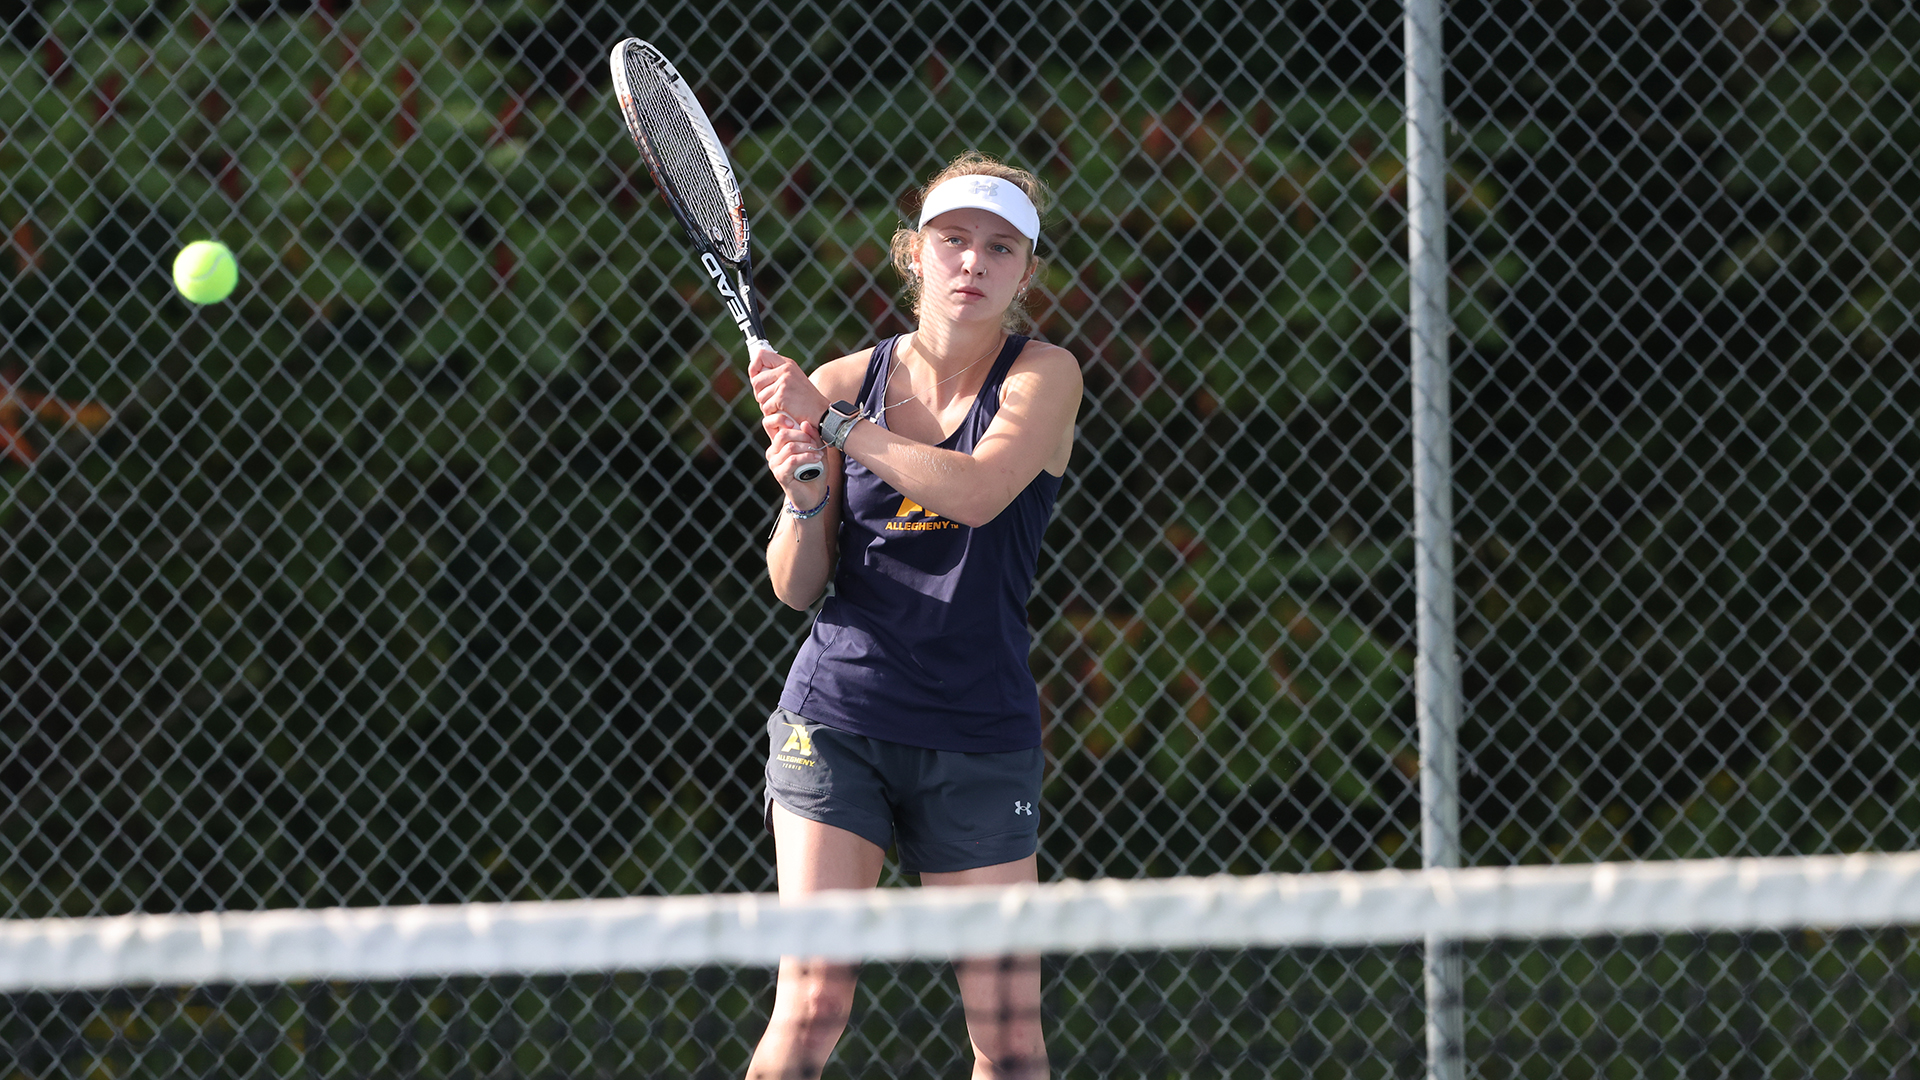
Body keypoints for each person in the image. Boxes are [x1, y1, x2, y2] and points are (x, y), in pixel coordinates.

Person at [743, 150, 1081, 1080]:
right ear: (913, 254)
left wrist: (838, 429)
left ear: (1025, 270)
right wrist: (805, 499)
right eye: (953, 239)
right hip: (838, 718)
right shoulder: (843, 379)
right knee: (812, 1004)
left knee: (1008, 1040)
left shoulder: (1044, 374)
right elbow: (797, 586)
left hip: (978, 727)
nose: (973, 261)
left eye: (1000, 247)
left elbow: (977, 493)